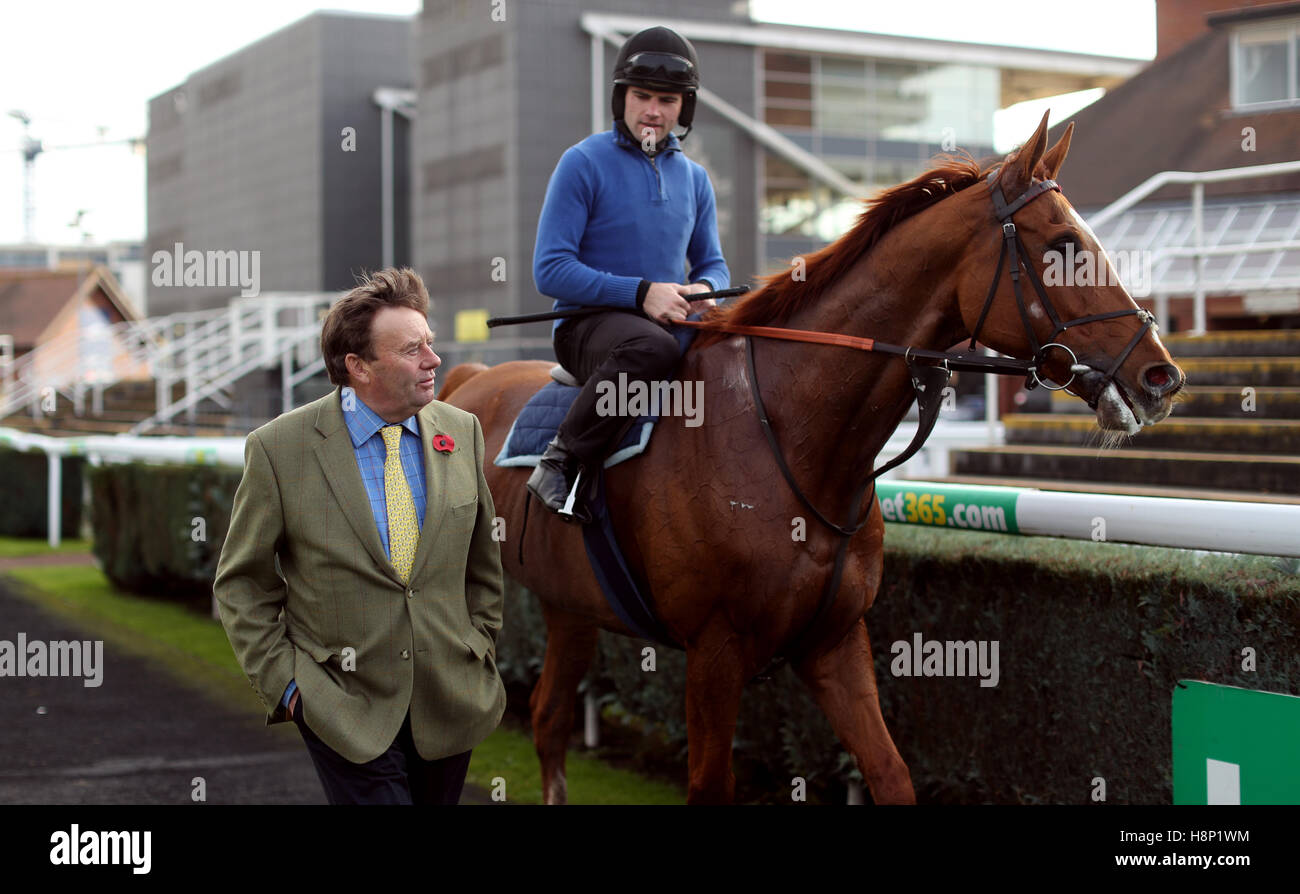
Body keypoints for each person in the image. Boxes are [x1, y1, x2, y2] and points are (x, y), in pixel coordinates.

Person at [213, 268, 505, 805]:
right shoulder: (279, 449)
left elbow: (483, 561)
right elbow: (241, 585)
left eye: (430, 344)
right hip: (340, 706)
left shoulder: (461, 431)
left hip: (449, 700)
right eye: (412, 349)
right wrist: (289, 686)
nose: (433, 360)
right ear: (358, 366)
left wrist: (480, 645)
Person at [527, 25, 730, 523]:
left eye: (667, 99)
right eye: (642, 96)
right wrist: (641, 293)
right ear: (623, 98)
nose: (654, 111)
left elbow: (712, 263)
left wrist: (707, 289)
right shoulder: (581, 163)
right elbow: (549, 269)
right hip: (588, 327)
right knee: (651, 347)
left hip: (668, 323)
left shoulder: (697, 179)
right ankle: (562, 461)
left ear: (685, 106)